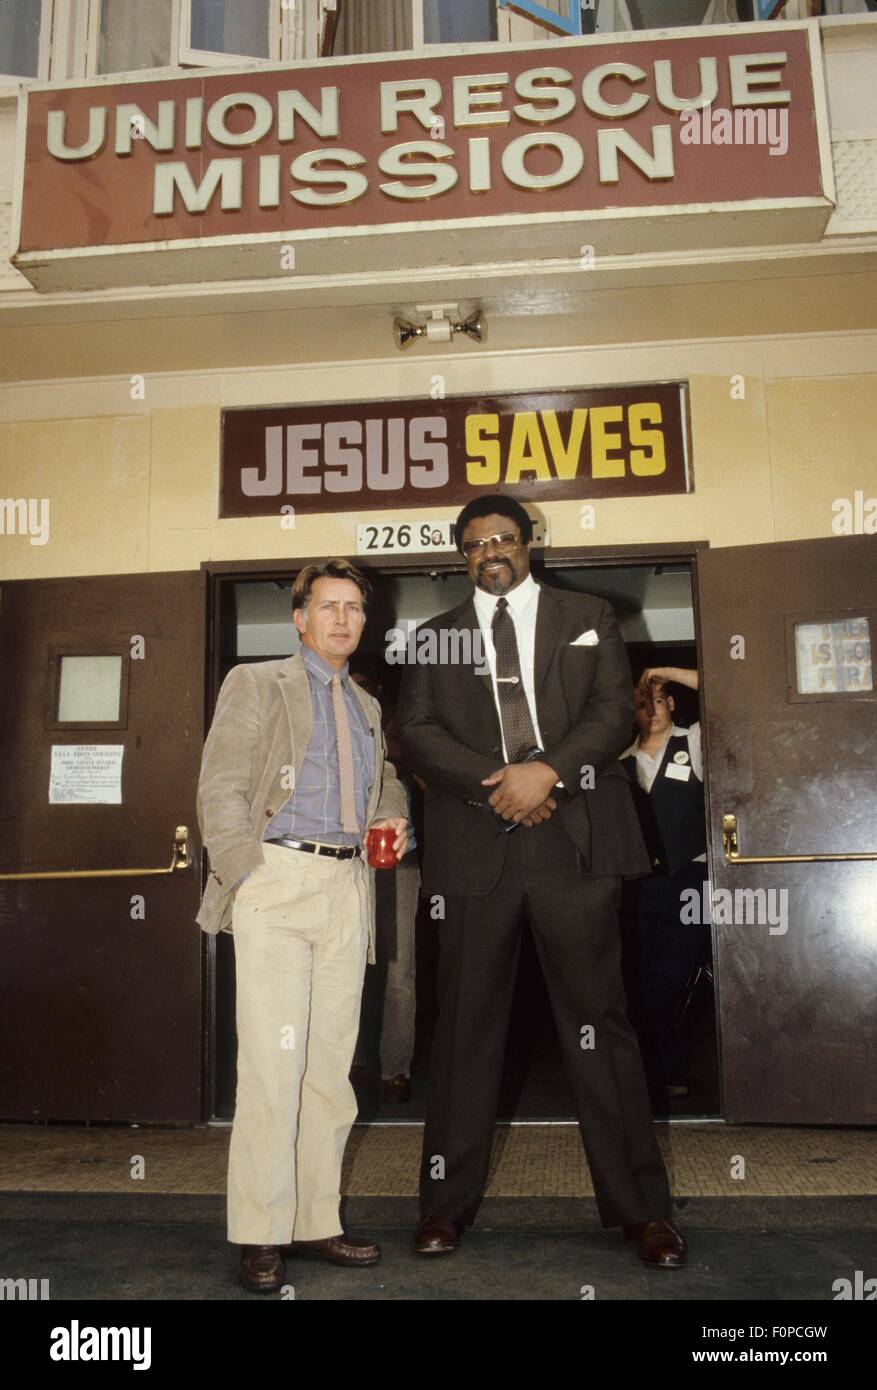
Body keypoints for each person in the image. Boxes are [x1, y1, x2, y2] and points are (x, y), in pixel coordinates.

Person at [398, 495, 687, 1269]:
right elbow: (417, 732)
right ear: (459, 556)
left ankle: (642, 1213)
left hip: (575, 842)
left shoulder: (588, 614)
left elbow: (609, 715)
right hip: (475, 847)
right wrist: (502, 782)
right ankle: (442, 1209)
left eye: (502, 538)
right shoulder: (435, 638)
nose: (489, 551)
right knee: (462, 1032)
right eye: (472, 544)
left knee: (600, 1024)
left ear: (530, 544)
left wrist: (547, 772)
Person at [195, 559, 407, 1293]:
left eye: (354, 608)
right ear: (299, 617)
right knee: (271, 1069)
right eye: (328, 606)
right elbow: (220, 784)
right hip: (276, 882)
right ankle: (259, 1229)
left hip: (346, 887)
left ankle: (317, 1219)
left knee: (330, 1070)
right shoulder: (257, 684)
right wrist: (245, 876)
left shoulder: (366, 704)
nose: (343, 619)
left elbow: (385, 780)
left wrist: (393, 816)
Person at [620, 668, 711, 1106]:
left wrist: (663, 675)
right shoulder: (620, 762)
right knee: (636, 982)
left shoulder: (692, 743)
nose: (651, 710)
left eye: (657, 700)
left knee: (668, 980)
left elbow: (726, 687)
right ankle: (658, 1076)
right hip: (638, 886)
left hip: (690, 882)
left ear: (671, 703)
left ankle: (664, 1071)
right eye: (641, 703)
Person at [349, 661, 420, 1104]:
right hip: (349, 867)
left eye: (363, 688)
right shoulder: (333, 732)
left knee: (400, 971)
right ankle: (349, 1065)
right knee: (346, 968)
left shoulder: (401, 731)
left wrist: (398, 749)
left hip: (400, 864)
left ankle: (396, 1070)